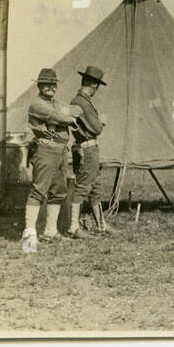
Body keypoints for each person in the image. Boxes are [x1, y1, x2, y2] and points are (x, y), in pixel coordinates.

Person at [24, 68, 81, 243]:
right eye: (47, 84)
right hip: (45, 150)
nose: (51, 87)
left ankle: (50, 231)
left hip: (60, 151)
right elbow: (61, 117)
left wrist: (66, 115)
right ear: (39, 85)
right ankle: (30, 237)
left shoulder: (55, 102)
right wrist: (65, 117)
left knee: (58, 191)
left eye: (53, 84)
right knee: (39, 191)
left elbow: (77, 110)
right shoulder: (37, 104)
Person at [69, 65, 109, 236]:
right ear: (93, 85)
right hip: (87, 149)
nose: (96, 89)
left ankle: (101, 225)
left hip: (90, 148)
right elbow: (97, 128)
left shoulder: (81, 101)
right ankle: (73, 227)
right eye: (96, 86)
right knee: (83, 187)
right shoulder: (81, 102)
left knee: (95, 187)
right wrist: (102, 121)